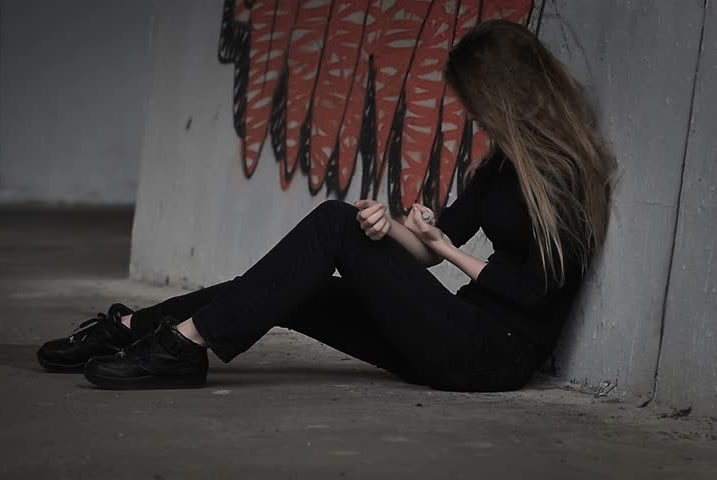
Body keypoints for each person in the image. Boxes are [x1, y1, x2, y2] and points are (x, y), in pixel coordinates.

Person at [37, 20, 615, 391]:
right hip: (454, 333)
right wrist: (393, 226)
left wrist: (449, 253)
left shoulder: (567, 174)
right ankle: (137, 329)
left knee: (333, 224)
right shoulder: (504, 163)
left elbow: (534, 294)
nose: (474, 116)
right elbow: (430, 247)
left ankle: (182, 347)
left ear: (506, 95)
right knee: (291, 285)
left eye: (477, 103)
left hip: (491, 358)